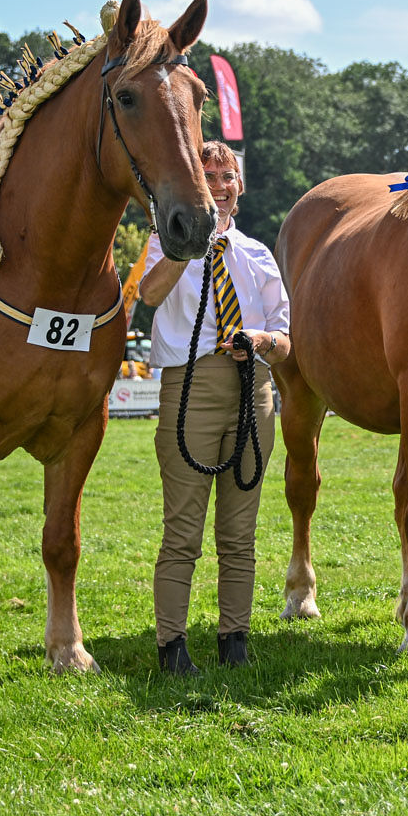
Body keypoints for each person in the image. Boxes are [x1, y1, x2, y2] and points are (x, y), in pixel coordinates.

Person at [139, 140, 291, 674]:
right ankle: (172, 645)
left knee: (239, 532)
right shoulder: (165, 240)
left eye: (227, 176)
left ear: (239, 184)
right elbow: (148, 294)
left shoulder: (258, 255)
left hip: (255, 391)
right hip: (191, 389)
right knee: (182, 530)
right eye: (208, 176)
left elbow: (284, 336)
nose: (220, 185)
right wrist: (188, 245)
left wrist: (260, 340)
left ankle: (235, 640)